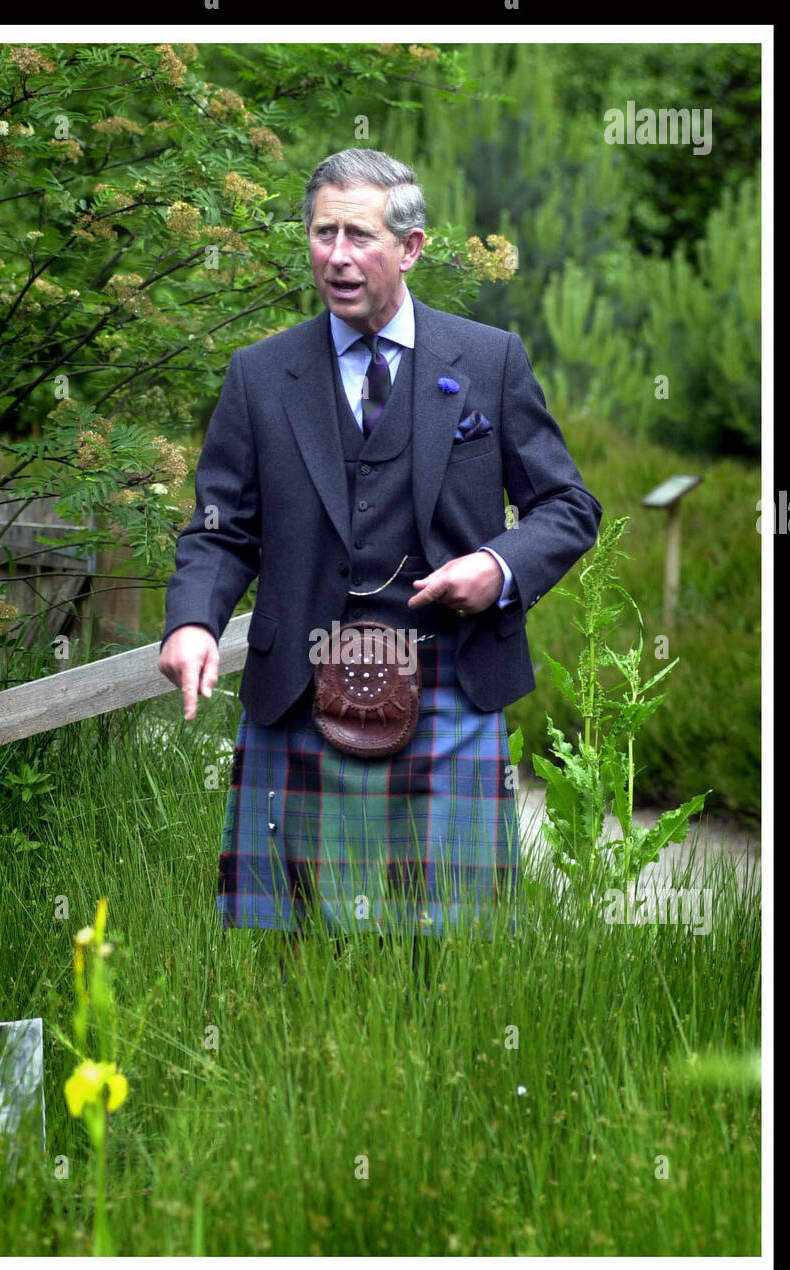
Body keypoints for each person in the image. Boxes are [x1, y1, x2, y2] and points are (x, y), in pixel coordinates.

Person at [158, 148, 602, 956]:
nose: (336, 255)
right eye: (322, 232)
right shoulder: (260, 375)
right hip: (298, 681)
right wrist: (191, 621)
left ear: (411, 247)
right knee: (295, 951)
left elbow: (567, 506)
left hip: (450, 685)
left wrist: (496, 566)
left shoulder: (488, 360)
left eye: (358, 235)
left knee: (445, 951)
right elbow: (221, 528)